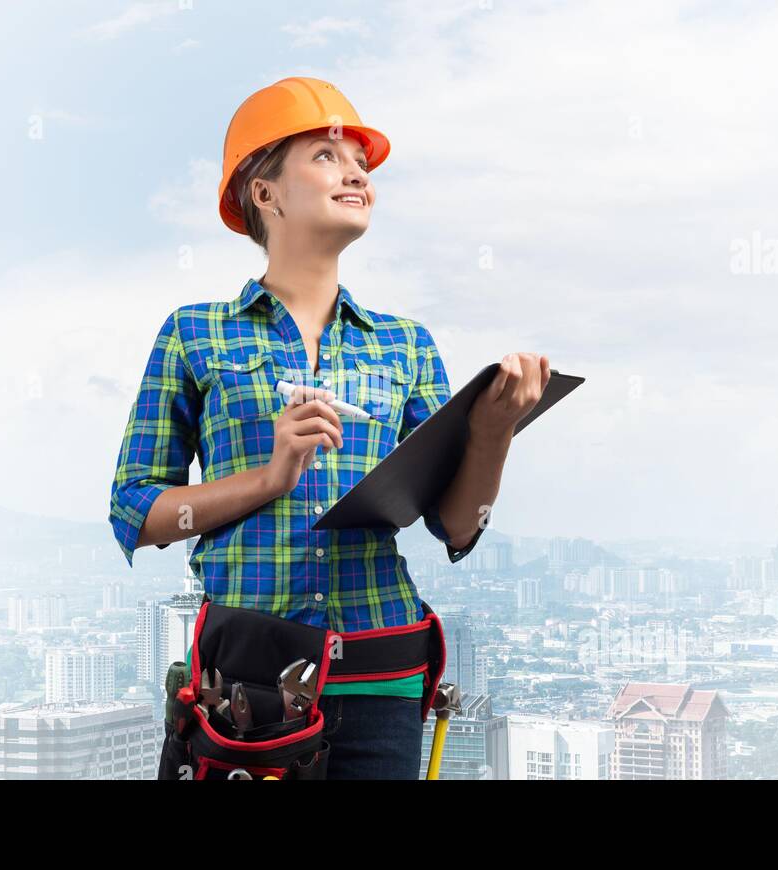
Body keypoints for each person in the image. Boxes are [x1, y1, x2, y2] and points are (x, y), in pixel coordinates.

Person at [109, 77, 548, 779]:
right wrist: (270, 478)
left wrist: (494, 433)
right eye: (325, 155)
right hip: (247, 687)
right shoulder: (195, 335)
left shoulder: (406, 345)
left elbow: (455, 527)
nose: (355, 173)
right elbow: (138, 509)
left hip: (383, 676)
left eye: (361, 164)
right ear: (265, 192)